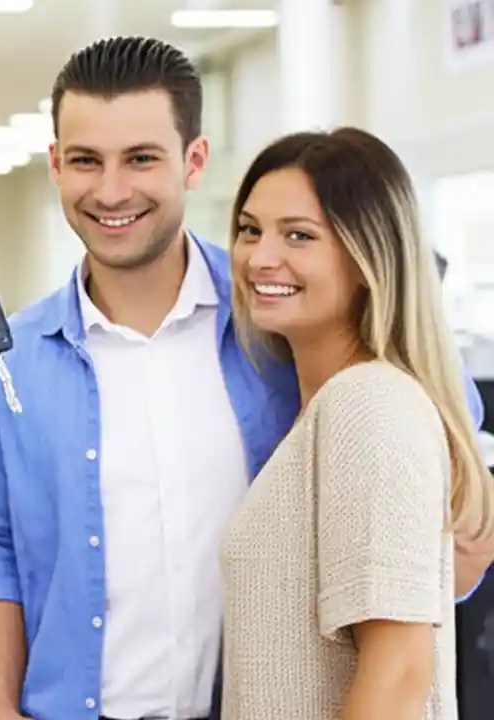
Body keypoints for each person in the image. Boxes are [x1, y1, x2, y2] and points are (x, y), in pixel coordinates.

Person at [0, 35, 494, 720]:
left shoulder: (288, 322)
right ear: (55, 165)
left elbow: (447, 484)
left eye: (142, 159)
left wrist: (412, 592)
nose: (112, 190)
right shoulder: (11, 363)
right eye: (87, 161)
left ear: (194, 160)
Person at [219, 128, 494, 719]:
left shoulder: (367, 406)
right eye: (250, 229)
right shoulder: (333, 409)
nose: (260, 257)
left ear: (368, 257)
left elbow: (397, 675)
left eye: (299, 235)